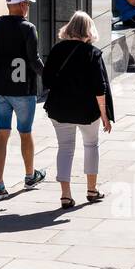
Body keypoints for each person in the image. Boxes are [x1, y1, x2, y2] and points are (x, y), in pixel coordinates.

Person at [42, 11, 114, 208]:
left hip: (60, 109)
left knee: (65, 148)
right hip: (87, 111)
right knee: (91, 145)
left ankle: (65, 195)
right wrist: (104, 114)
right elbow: (100, 88)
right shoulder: (92, 53)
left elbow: (46, 80)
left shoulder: (56, 50)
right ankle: (92, 190)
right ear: (89, 31)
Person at [0, 0, 46, 199]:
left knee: (2, 133)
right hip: (22, 89)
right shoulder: (29, 28)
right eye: (25, 3)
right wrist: (50, 76)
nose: (28, 7)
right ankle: (29, 176)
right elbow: (33, 59)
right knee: (25, 132)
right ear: (17, 5)